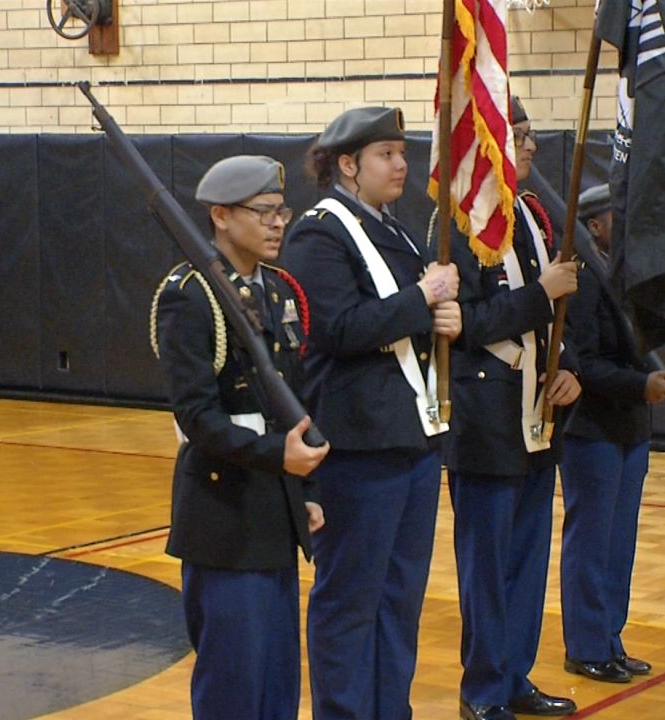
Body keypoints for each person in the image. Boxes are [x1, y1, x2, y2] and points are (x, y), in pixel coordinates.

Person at [283, 106, 462, 720]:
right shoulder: (319, 233)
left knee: (399, 599)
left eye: (403, 152)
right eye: (386, 154)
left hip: (410, 439)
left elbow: (411, 321)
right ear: (347, 165)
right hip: (357, 447)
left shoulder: (396, 229)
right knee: (350, 601)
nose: (401, 164)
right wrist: (423, 297)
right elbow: (335, 327)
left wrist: (446, 317)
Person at [153, 155, 329, 720]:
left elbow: (290, 407)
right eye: (265, 212)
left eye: (282, 210)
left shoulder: (276, 290)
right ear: (221, 216)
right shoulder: (191, 295)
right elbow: (199, 418)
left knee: (278, 682)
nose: (279, 223)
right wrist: (280, 456)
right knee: (235, 683)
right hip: (224, 515)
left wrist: (306, 493)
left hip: (275, 514)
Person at [446, 96, 581, 720]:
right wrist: (539, 295)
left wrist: (569, 367)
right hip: (486, 419)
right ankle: (484, 690)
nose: (530, 147)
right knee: (487, 565)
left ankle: (515, 675)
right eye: (519, 135)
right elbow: (463, 324)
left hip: (535, 412)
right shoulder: (459, 223)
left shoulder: (529, 214)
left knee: (528, 561)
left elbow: (550, 319)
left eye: (530, 136)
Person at [559, 183, 665, 684]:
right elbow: (582, 364)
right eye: (617, 216)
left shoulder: (628, 274)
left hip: (630, 426)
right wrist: (640, 384)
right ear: (593, 226)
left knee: (619, 542)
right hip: (592, 427)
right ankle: (586, 645)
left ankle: (611, 637)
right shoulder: (582, 279)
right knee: (591, 541)